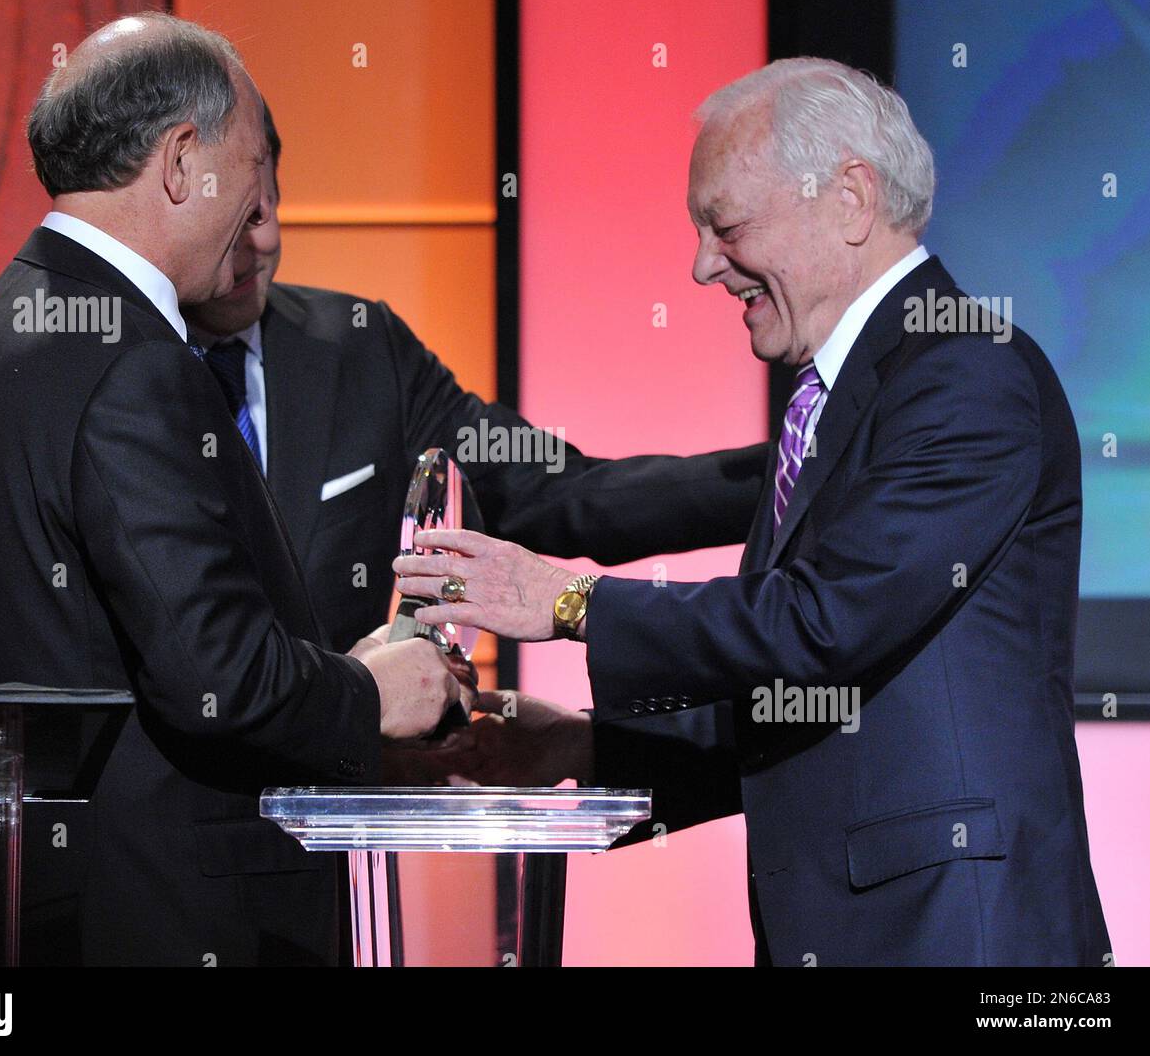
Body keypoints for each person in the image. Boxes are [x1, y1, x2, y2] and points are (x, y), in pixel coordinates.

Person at [395, 58, 1113, 967]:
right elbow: (816, 698)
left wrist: (569, 602)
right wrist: (583, 744)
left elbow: (825, 622)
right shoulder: (846, 394)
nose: (700, 267)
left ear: (850, 199)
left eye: (724, 225)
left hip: (958, 936)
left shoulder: (964, 371)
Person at [0, 13, 464, 966]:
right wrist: (368, 689)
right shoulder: (135, 360)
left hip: (47, 899)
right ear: (181, 164)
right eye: (253, 173)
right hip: (167, 917)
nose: (263, 218)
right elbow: (214, 671)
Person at [177, 100, 769, 657]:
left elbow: (559, 491)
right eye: (235, 223)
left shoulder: (358, 344)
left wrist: (788, 476)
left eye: (266, 211)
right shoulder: (113, 360)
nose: (259, 245)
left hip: (329, 761)